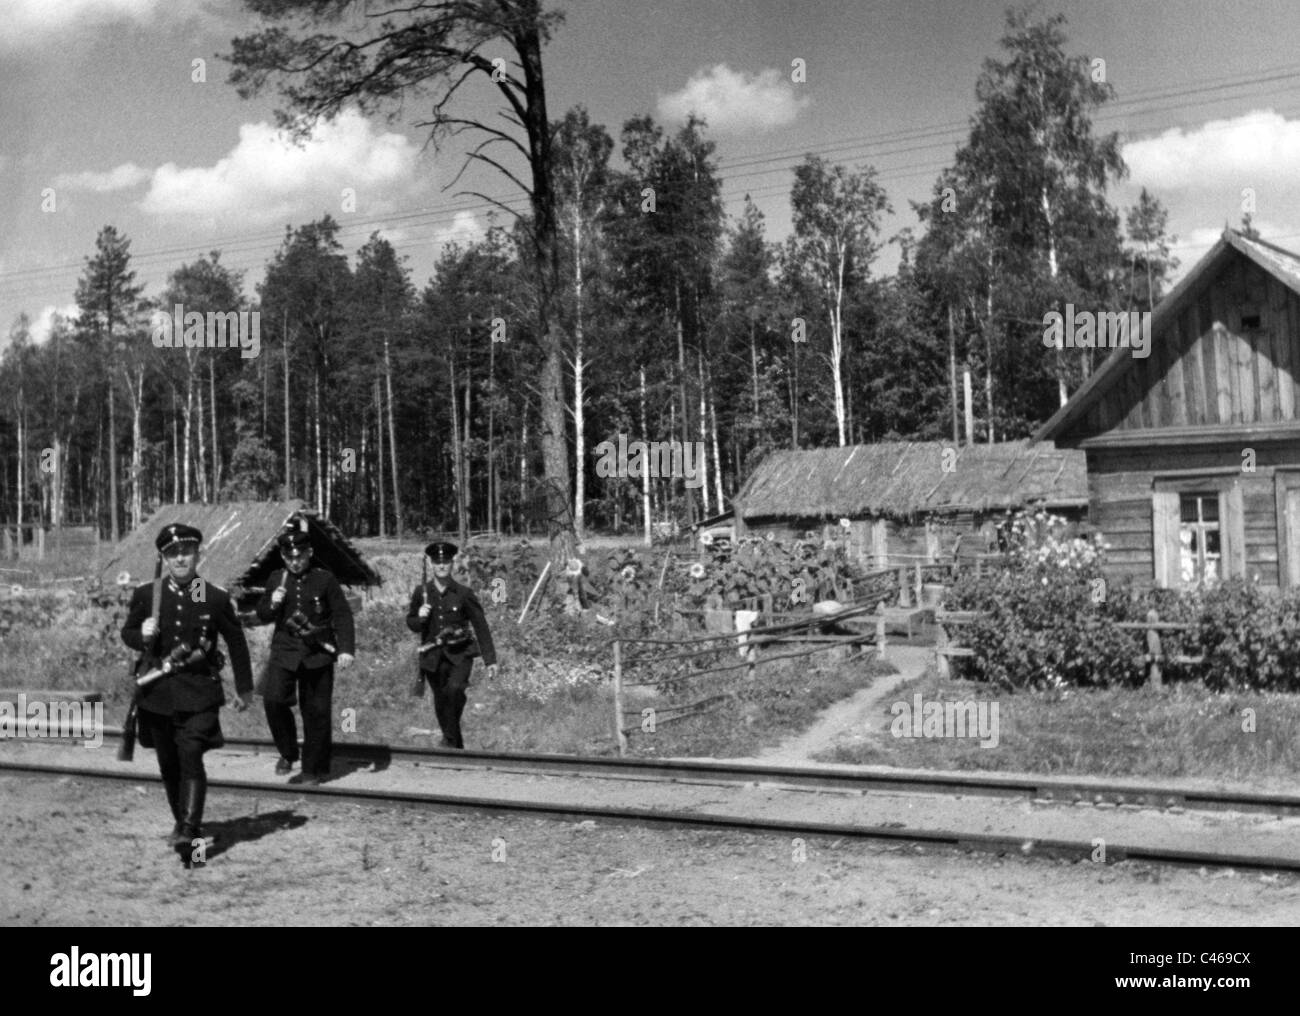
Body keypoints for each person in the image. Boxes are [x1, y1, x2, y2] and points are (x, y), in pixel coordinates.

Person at [121, 523, 254, 854]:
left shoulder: (212, 595)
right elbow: (128, 633)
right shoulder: (146, 595)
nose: (180, 559)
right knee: (169, 763)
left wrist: (245, 688)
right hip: (158, 694)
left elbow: (236, 643)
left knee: (191, 754)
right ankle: (182, 823)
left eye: (186, 552)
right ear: (165, 559)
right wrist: (142, 634)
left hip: (198, 692)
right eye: (173, 554)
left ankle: (191, 829)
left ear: (198, 554)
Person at [256, 525, 355, 784]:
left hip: (318, 652)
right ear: (283, 557)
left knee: (316, 712)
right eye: (290, 558)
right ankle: (288, 752)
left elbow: (342, 615)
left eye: (300, 556)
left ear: (309, 553)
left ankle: (314, 769)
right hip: (285, 651)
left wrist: (346, 649)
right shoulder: (276, 579)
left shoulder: (325, 579)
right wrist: (273, 602)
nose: (295, 562)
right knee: (273, 701)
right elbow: (263, 615)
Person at [406, 542, 498, 749]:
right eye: (437, 562)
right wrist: (419, 617)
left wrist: (490, 660)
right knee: (441, 699)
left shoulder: (463, 593)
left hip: (460, 653)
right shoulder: (421, 592)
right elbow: (411, 623)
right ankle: (454, 745)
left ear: (452, 563)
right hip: (433, 655)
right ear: (431, 564)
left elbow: (481, 626)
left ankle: (450, 742)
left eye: (446, 561)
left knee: (455, 690)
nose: (442, 566)